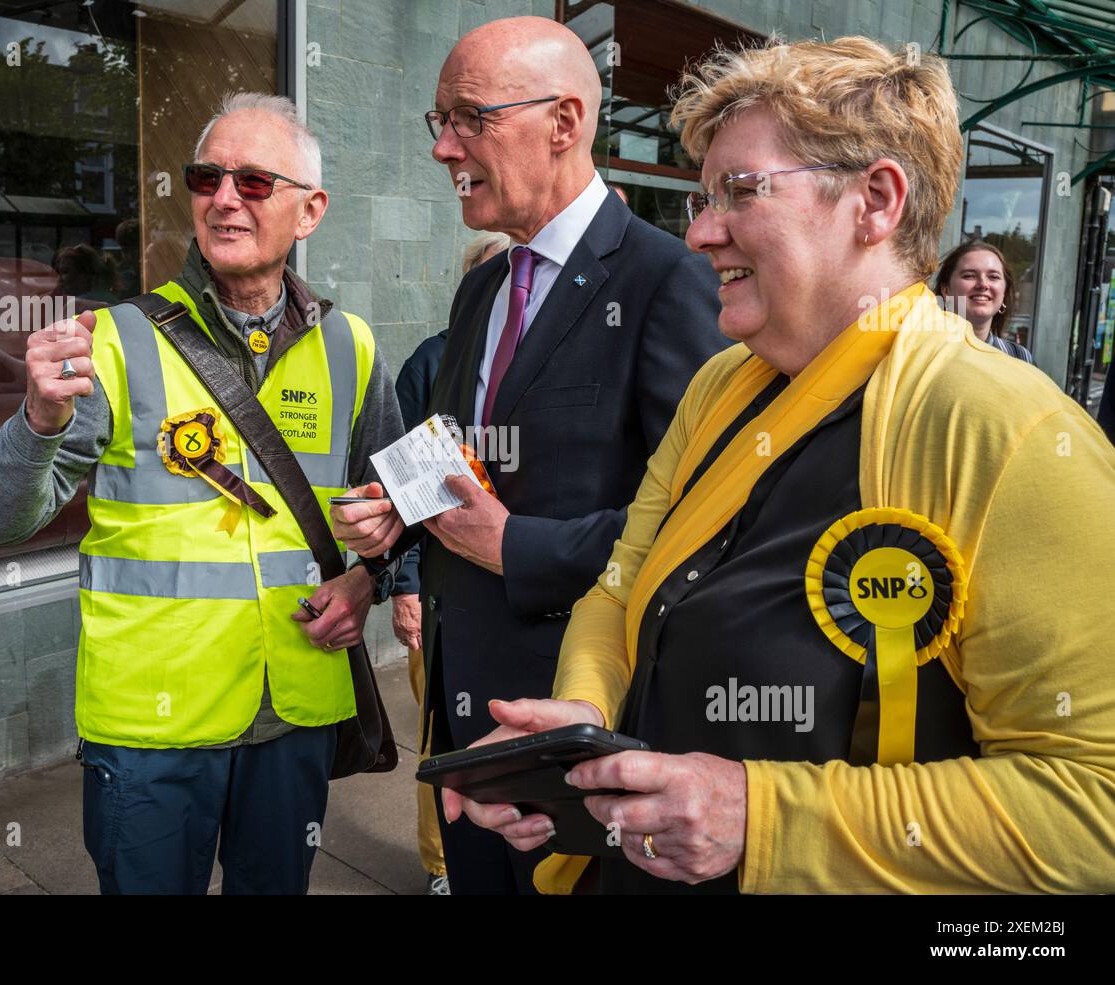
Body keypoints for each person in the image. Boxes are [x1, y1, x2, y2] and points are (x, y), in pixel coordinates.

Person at [447, 35, 1115, 895]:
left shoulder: (1008, 432)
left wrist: (762, 815)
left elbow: (1092, 807)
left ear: (874, 200)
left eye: (740, 192)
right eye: (702, 195)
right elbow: (619, 585)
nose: (698, 231)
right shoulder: (724, 384)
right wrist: (583, 715)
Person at [0, 91, 405, 895]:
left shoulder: (353, 345)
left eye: (254, 181)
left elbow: (398, 509)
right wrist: (37, 416)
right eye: (207, 178)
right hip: (152, 728)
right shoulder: (116, 341)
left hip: (294, 713)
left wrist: (371, 579)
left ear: (310, 211)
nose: (225, 198)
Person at [332, 16, 726, 894]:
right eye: (438, 120)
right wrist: (396, 521)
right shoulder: (483, 285)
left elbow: (708, 523)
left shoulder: (668, 282)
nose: (443, 147)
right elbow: (451, 457)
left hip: (579, 727)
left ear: (564, 121)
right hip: (462, 712)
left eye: (468, 117)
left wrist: (517, 546)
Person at [394, 230, 509, 895]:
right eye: (495, 275)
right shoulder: (433, 362)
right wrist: (404, 587)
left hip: (523, 589)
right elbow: (402, 495)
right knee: (443, 734)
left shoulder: (546, 362)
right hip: (442, 591)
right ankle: (442, 865)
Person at [934, 240, 1034, 363]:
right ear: (946, 290)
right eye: (969, 275)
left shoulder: (1020, 358)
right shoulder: (922, 354)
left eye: (993, 277)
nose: (983, 285)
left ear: (1004, 292)